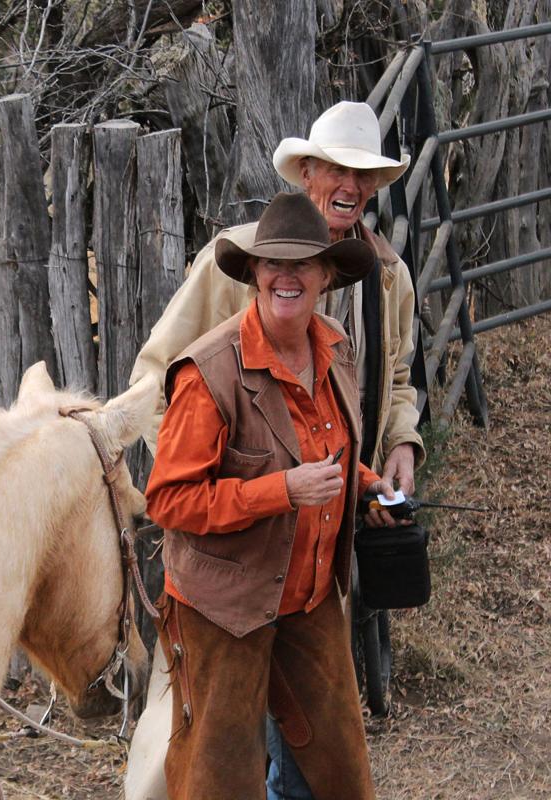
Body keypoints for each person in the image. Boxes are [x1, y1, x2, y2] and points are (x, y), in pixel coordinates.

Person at [130, 100, 423, 799]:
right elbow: (159, 386)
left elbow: (396, 381)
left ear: (329, 276)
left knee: (328, 765)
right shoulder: (224, 291)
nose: (350, 184)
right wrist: (244, 479)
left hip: (321, 565)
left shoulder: (381, 286)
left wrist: (374, 471)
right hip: (228, 584)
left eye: (364, 174)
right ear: (308, 172)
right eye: (336, 168)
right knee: (221, 763)